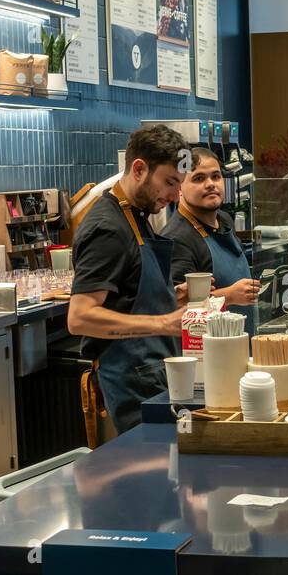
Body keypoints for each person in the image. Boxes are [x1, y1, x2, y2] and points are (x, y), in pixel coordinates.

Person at [69, 125, 189, 443]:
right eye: (169, 183)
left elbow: (125, 295)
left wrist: (169, 297)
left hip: (153, 377)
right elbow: (80, 317)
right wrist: (164, 322)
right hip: (131, 385)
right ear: (139, 169)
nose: (176, 196)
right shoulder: (107, 228)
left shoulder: (135, 215)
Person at [165, 147, 262, 333]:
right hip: (206, 353)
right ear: (179, 188)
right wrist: (229, 296)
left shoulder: (224, 219)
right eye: (199, 178)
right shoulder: (177, 239)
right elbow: (176, 309)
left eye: (216, 177)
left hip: (239, 342)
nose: (210, 184)